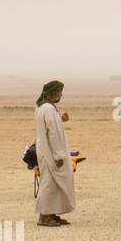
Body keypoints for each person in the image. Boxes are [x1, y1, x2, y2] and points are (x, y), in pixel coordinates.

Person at [34, 80, 75, 227]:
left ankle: (52, 213)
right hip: (51, 152)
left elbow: (50, 126)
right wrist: (58, 155)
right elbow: (53, 133)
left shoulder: (44, 108)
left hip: (47, 150)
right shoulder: (48, 109)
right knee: (49, 183)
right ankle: (44, 216)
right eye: (59, 92)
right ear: (52, 93)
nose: (61, 95)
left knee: (54, 183)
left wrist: (60, 119)